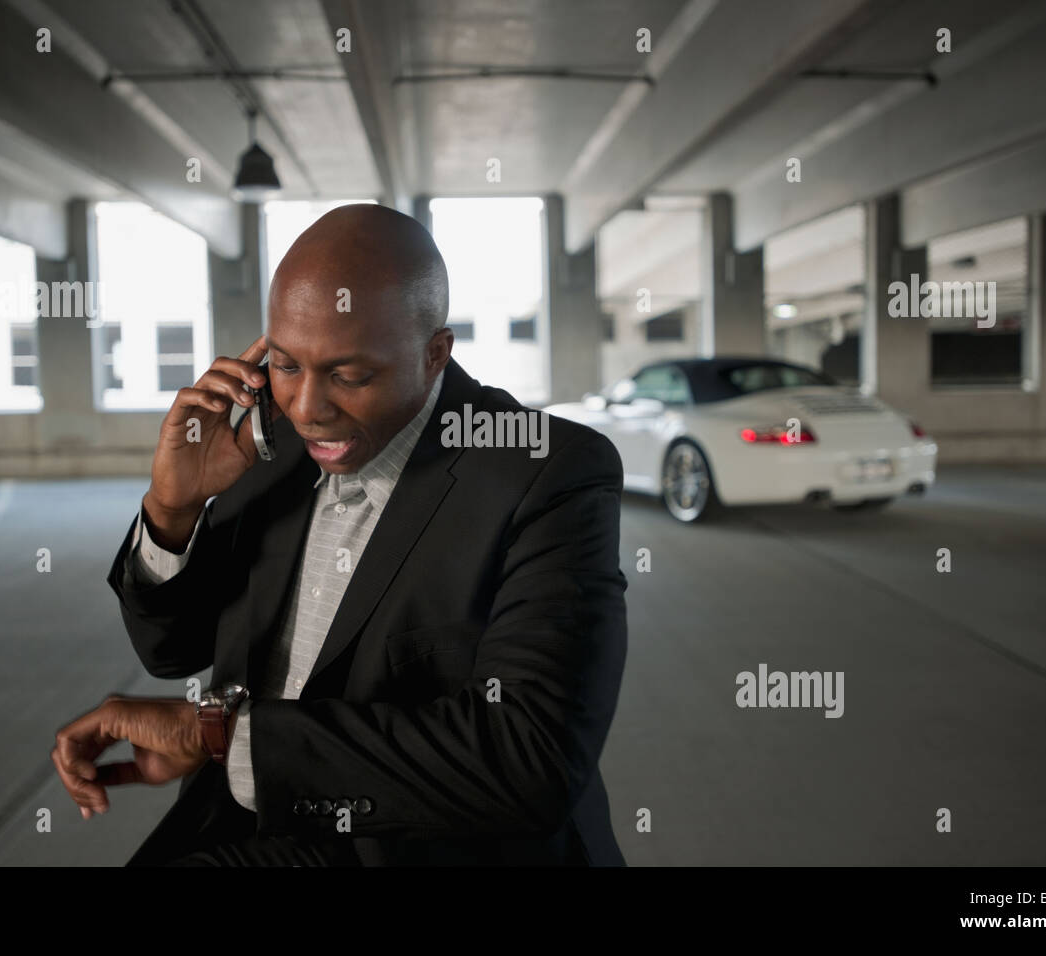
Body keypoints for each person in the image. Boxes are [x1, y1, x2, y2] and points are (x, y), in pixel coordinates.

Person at [50, 203, 628, 865]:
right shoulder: (266, 442)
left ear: (434, 353)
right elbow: (171, 652)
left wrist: (218, 739)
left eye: (349, 376)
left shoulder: (545, 472)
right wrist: (173, 509)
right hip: (254, 823)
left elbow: (528, 760)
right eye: (288, 366)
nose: (307, 409)